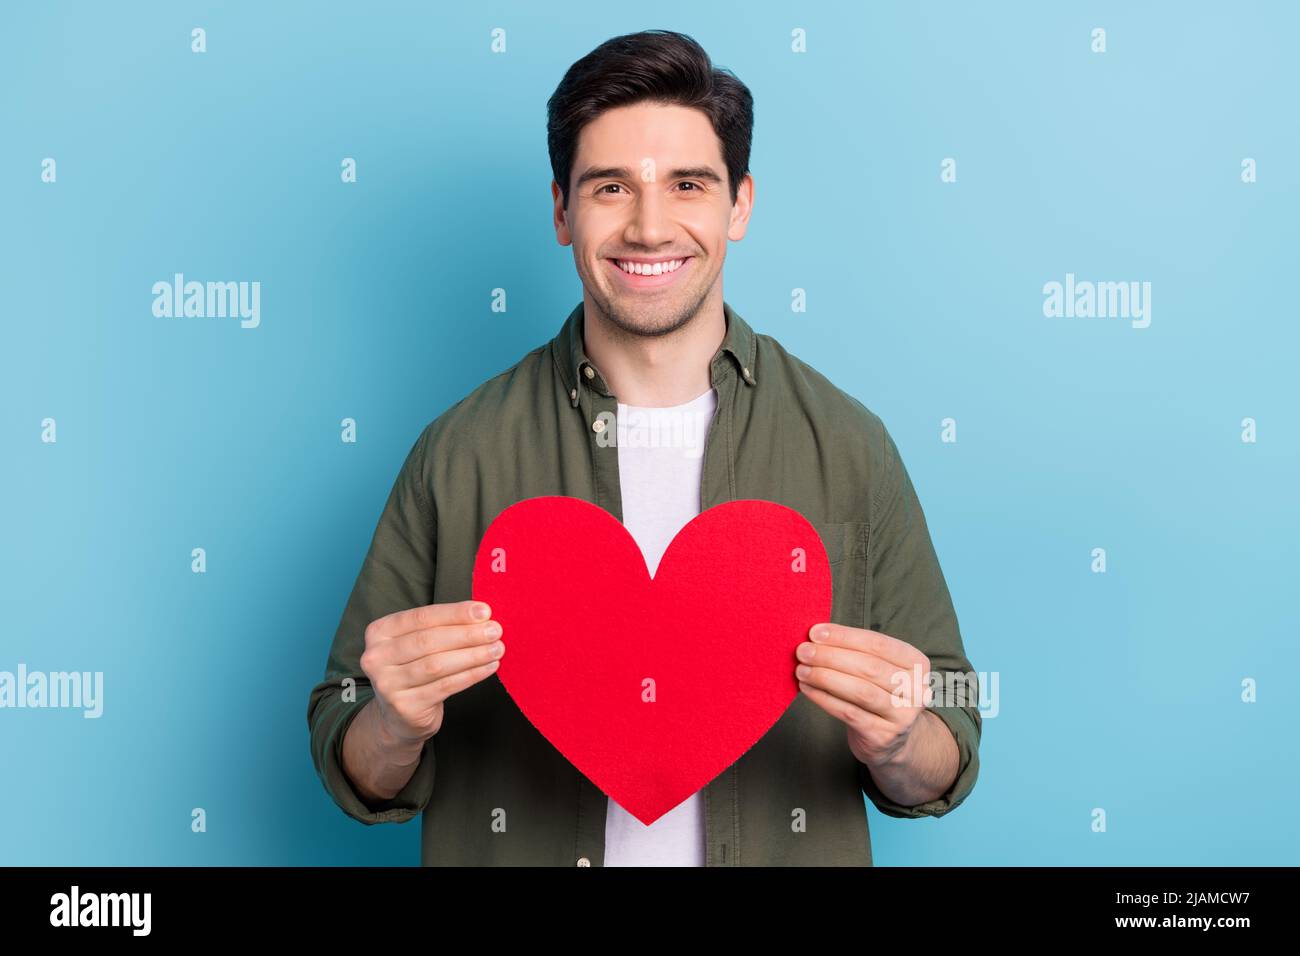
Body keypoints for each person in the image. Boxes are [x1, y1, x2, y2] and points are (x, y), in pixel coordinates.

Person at [307, 29, 981, 866]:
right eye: (610, 187)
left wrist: (901, 740)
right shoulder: (459, 453)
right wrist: (390, 724)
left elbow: (951, 737)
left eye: (688, 184)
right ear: (561, 211)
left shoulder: (849, 446)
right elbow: (348, 744)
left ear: (739, 204)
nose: (650, 226)